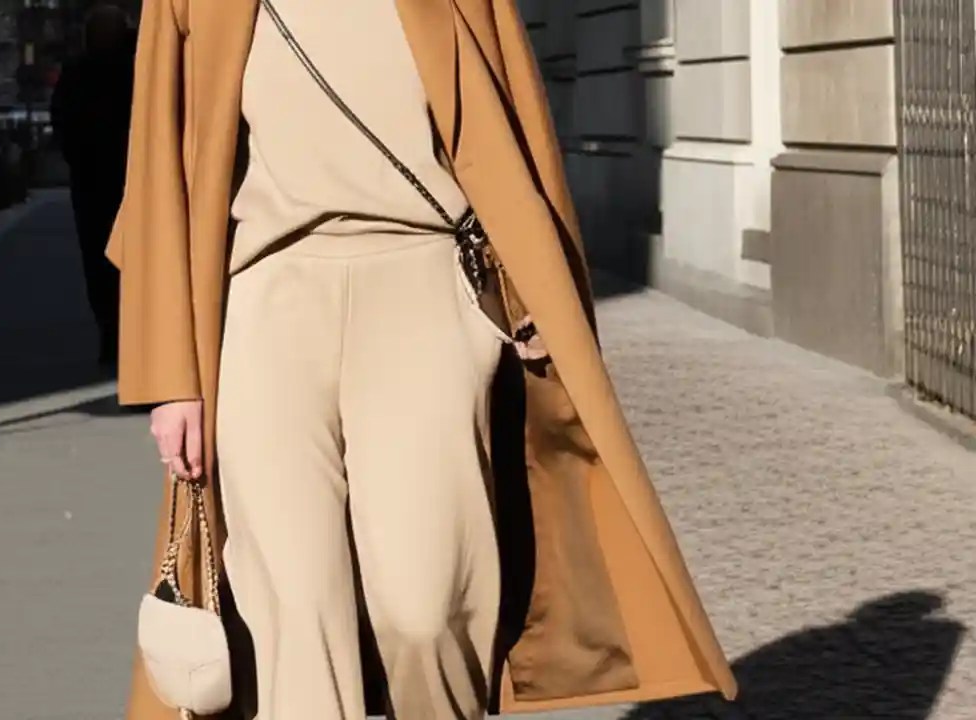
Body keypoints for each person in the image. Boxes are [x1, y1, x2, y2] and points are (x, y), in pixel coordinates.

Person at [108, 1, 738, 719]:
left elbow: (514, 117)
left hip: (425, 288)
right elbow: (160, 159)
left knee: (427, 606)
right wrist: (170, 379)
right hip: (264, 299)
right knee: (296, 609)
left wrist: (533, 285)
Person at [51, 1, 138, 366]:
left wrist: (76, 157)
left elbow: (62, 123)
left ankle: (111, 332)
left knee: (98, 260)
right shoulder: (134, 70)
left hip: (92, 180)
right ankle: (129, 333)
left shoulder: (77, 74)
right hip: (126, 178)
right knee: (130, 260)